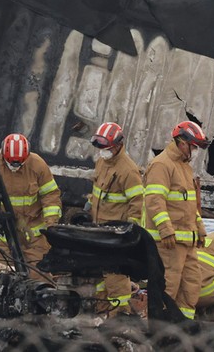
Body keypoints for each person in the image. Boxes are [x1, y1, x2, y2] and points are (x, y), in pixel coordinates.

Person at [144, 120, 209, 320]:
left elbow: (189, 206)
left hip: (187, 242)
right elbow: (155, 200)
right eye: (194, 146)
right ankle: (159, 331)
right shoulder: (161, 165)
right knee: (168, 287)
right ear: (182, 142)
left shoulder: (184, 167)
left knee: (191, 285)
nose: (195, 151)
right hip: (169, 243)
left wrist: (200, 229)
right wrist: (166, 230)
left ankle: (183, 329)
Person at [88, 121, 144, 316]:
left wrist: (129, 234)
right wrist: (89, 204)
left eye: (106, 148)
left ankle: (120, 315)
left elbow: (137, 204)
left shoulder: (128, 170)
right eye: (101, 147)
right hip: (99, 230)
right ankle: (102, 312)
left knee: (116, 277)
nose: (103, 151)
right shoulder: (102, 162)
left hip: (116, 234)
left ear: (118, 144)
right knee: (102, 275)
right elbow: (97, 191)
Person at [0, 133, 61, 280]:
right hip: (4, 235)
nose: (15, 167)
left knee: (39, 276)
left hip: (33, 235)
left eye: (19, 164)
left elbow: (50, 195)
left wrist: (51, 225)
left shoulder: (38, 165)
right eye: (11, 163)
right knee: (0, 278)